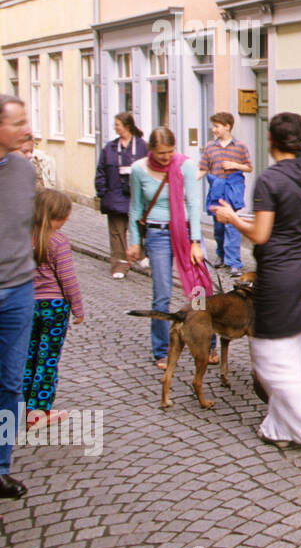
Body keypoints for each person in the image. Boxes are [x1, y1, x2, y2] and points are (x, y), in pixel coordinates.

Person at [211, 112, 301, 448]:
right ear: (300, 141)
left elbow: (260, 233)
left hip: (278, 275)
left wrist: (231, 218)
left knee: (270, 360)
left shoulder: (270, 180)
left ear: (270, 141)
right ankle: (280, 428)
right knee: (292, 353)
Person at [126, 127, 211, 371]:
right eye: (161, 153)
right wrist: (134, 241)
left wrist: (196, 241)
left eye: (170, 151)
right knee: (161, 293)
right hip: (157, 233)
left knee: (199, 291)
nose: (166, 157)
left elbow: (194, 204)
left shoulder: (184, 165)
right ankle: (162, 350)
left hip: (185, 233)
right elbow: (135, 208)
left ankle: (208, 343)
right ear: (151, 150)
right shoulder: (138, 169)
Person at [24, 189, 84, 431]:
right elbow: (67, 279)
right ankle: (38, 412)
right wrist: (78, 308)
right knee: (47, 358)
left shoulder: (21, 238)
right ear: (55, 217)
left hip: (26, 304)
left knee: (28, 355)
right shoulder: (58, 241)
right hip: (54, 307)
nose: (67, 221)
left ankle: (21, 402)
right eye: (64, 217)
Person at [0, 95, 36, 499]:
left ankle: (0, 466)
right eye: (17, 123)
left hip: (18, 292)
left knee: (10, 385)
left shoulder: (24, 170)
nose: (26, 130)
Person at [198, 112, 253, 280]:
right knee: (219, 228)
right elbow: (203, 168)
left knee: (232, 227)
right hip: (216, 190)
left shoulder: (240, 146)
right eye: (213, 126)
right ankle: (221, 255)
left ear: (227, 126)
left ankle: (234, 263)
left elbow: (249, 167)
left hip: (233, 189)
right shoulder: (209, 147)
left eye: (217, 126)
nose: (214, 129)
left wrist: (235, 165)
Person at [94, 112, 148, 279]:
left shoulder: (141, 146)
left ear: (127, 126)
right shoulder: (110, 147)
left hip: (136, 196)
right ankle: (119, 264)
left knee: (140, 228)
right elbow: (101, 171)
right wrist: (103, 192)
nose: (114, 127)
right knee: (117, 233)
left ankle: (142, 255)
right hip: (115, 195)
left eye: (117, 124)